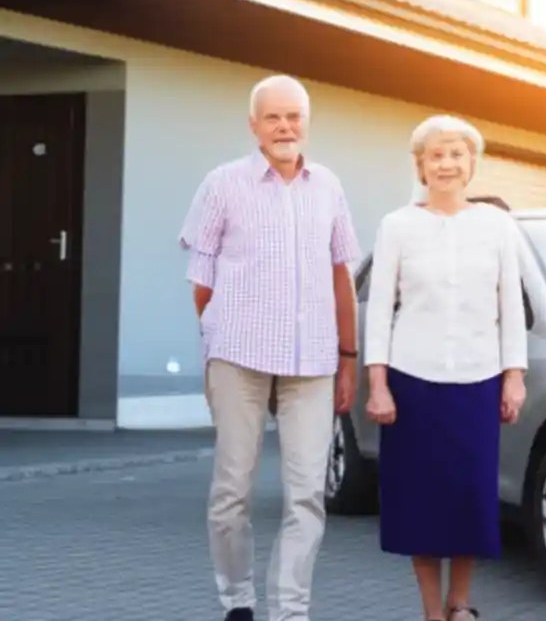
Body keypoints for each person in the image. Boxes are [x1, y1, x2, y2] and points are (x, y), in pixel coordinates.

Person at [179, 75, 362, 621]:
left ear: (307, 122)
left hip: (313, 365)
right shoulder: (222, 184)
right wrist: (219, 339)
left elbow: (341, 277)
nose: (285, 127)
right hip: (239, 359)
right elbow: (201, 279)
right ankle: (238, 601)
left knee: (306, 495)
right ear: (254, 125)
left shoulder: (328, 186)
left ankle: (289, 612)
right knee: (232, 492)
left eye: (294, 117)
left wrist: (347, 359)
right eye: (274, 117)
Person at [363, 115, 528, 621]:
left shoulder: (498, 225)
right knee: (421, 502)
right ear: (421, 166)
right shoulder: (397, 226)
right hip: (414, 384)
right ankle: (432, 613)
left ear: (471, 164)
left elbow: (511, 305)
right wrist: (378, 384)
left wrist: (514, 375)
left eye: (456, 154)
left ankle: (461, 606)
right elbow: (378, 310)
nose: (447, 164)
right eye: (436, 155)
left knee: (469, 499)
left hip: (477, 382)